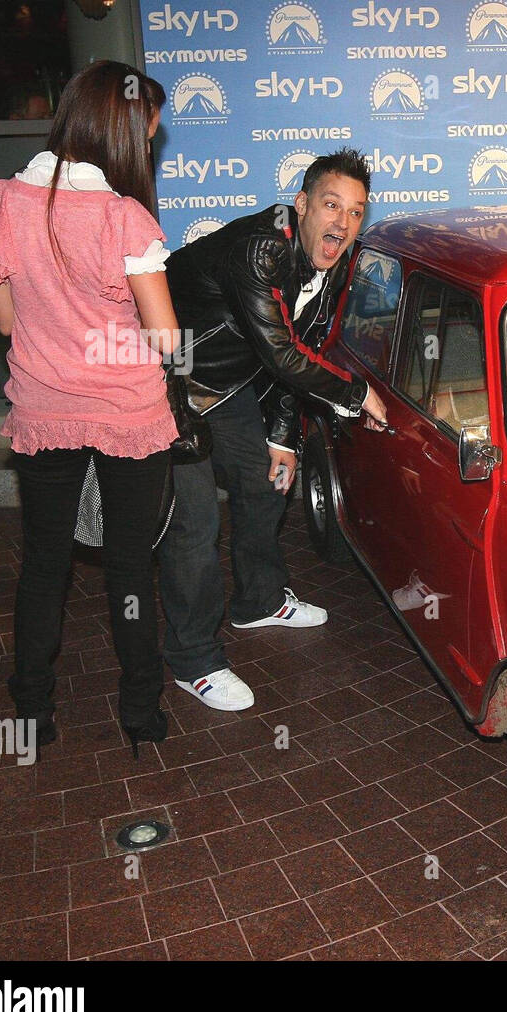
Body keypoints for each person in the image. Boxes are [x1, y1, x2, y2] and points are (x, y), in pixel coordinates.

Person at [0, 61, 179, 756]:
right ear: (117, 128)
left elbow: (3, 322)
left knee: (44, 563)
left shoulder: (1, 201)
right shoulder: (124, 217)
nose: (147, 145)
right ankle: (141, 714)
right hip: (129, 413)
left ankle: (31, 713)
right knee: (129, 569)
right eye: (145, 132)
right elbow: (166, 336)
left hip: (43, 407)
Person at [160, 148, 387, 712]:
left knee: (264, 482)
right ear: (302, 203)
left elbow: (299, 345)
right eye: (331, 205)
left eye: (356, 212)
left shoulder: (335, 263)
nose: (343, 222)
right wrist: (355, 393)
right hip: (163, 386)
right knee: (196, 523)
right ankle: (194, 660)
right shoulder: (262, 249)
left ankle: (258, 601)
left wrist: (282, 437)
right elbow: (282, 353)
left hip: (225, 386)